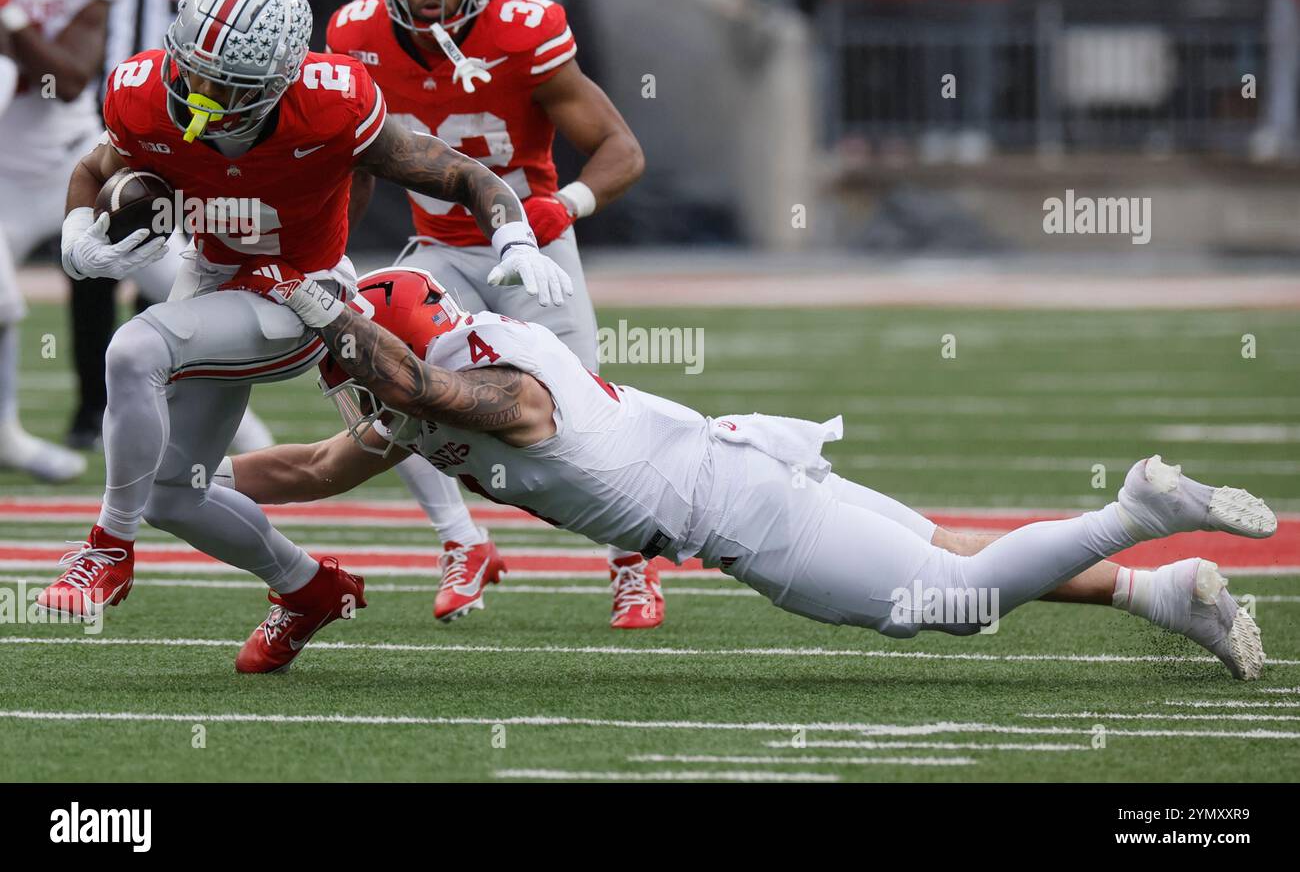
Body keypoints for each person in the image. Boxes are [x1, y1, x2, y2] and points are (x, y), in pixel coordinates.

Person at [210, 262, 1273, 679]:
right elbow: (308, 465)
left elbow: (440, 401)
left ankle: (1132, 508)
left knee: (942, 603)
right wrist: (171, 485)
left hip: (742, 512)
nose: (344, 385)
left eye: (354, 362)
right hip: (738, 463)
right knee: (950, 551)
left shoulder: (491, 383)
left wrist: (349, 335)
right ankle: (1170, 592)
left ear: (399, 348)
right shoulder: (431, 392)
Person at [34, 0, 574, 624]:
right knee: (174, 495)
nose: (197, 92)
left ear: (279, 81)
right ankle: (308, 586)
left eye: (223, 85)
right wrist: (76, 234)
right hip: (211, 278)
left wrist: (514, 236)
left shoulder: (332, 102)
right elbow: (96, 168)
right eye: (191, 70)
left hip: (299, 295)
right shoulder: (142, 90)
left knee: (132, 350)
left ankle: (107, 549)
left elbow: (458, 174)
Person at [327, 0, 654, 628]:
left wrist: (561, 206)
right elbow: (354, 160)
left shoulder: (525, 33)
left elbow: (620, 149)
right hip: (438, 246)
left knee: (588, 417)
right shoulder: (358, 37)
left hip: (528, 250)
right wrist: (333, 254)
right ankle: (462, 541)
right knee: (379, 378)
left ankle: (630, 562)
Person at [65, 0, 255, 451]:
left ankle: (158, 402)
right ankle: (90, 408)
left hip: (178, 132)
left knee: (165, 270)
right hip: (96, 127)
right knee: (93, 271)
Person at [0, 0, 117, 480]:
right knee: (2, 303)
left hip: (77, 164)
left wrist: (10, 13)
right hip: (2, 179)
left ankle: (236, 423)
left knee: (168, 271)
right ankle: (6, 434)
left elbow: (69, 79)